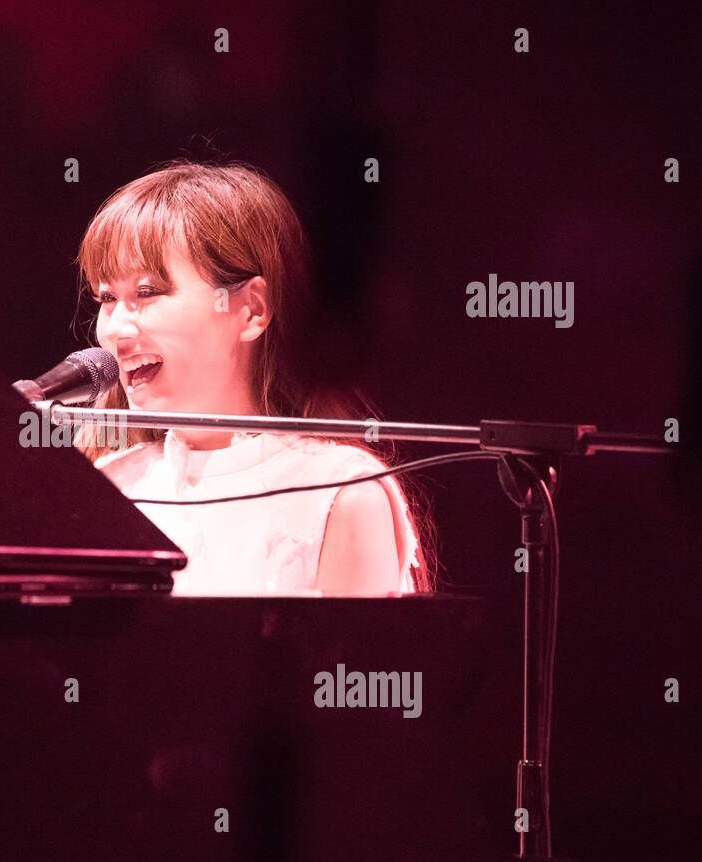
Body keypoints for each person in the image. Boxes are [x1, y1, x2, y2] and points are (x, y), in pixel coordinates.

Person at [74, 159, 435, 596]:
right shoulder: (105, 490)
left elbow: (352, 665)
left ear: (251, 310)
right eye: (108, 297)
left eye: (147, 293)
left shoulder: (340, 495)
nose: (113, 330)